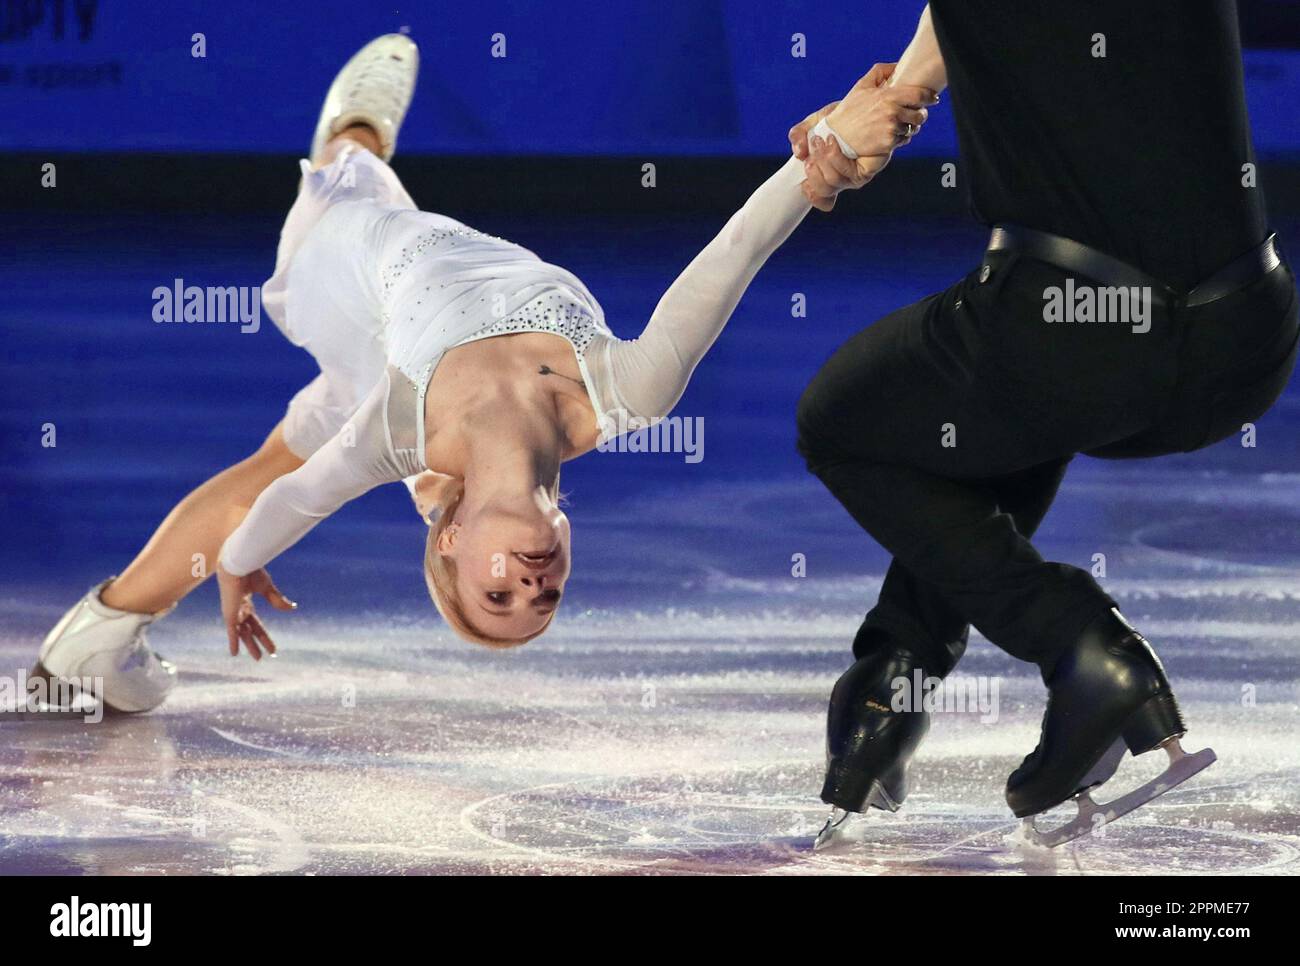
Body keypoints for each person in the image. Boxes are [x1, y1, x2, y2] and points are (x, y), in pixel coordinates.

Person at [34, 33, 937, 713]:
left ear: (452, 548)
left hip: (345, 268)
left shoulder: (397, 430)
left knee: (351, 172)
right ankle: (99, 636)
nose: (533, 580)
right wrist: (819, 150)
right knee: (291, 454)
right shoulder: (628, 393)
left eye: (498, 591)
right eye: (546, 595)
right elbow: (735, 250)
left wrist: (238, 567)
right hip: (394, 325)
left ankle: (350, 138)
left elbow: (300, 503)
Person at [792, 1, 1296, 846]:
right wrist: (900, 91)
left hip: (1078, 333)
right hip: (1247, 334)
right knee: (996, 410)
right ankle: (892, 684)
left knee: (842, 420)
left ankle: (1081, 647)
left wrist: (861, 119)